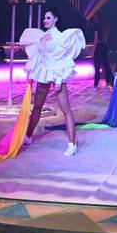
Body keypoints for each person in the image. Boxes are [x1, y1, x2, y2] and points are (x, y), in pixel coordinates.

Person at [21, 8, 86, 154]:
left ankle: (72, 144)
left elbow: (61, 59)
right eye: (44, 18)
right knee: (37, 107)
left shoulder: (60, 37)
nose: (45, 20)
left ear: (55, 19)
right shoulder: (42, 36)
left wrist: (58, 80)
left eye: (48, 18)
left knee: (66, 110)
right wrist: (31, 75)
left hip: (57, 75)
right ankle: (28, 136)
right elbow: (37, 57)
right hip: (44, 74)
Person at [90, 13, 113, 89]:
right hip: (103, 46)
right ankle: (109, 80)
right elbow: (105, 37)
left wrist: (93, 51)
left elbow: (96, 39)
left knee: (97, 66)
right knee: (106, 65)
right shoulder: (104, 26)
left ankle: (96, 84)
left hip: (99, 47)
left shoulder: (96, 25)